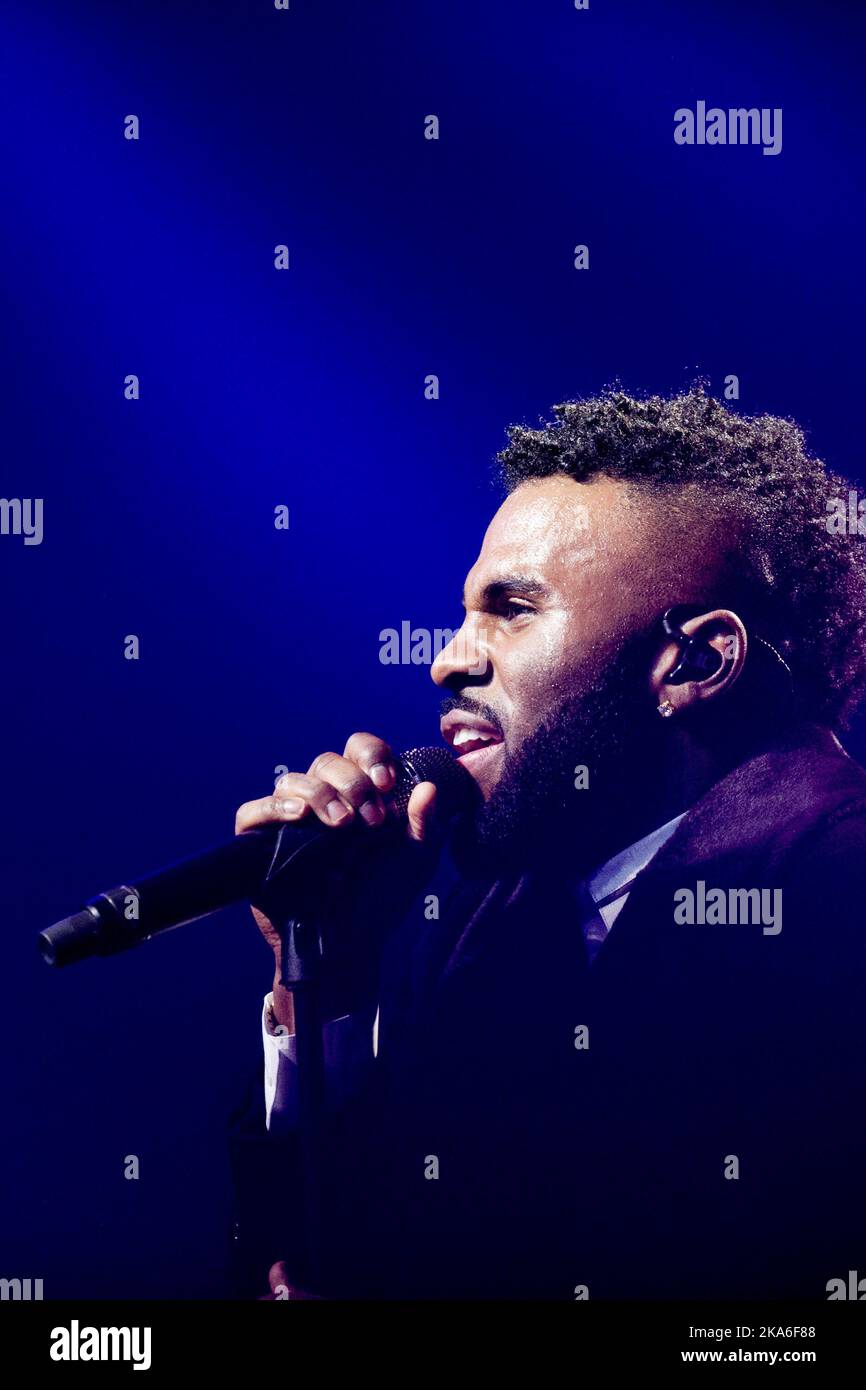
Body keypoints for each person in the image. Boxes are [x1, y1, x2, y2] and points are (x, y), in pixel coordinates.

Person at [229, 386, 866, 1300]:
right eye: (464, 614)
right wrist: (326, 982)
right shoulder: (503, 912)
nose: (448, 659)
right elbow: (331, 1260)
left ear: (692, 663)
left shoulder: (835, 894)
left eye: (513, 610)